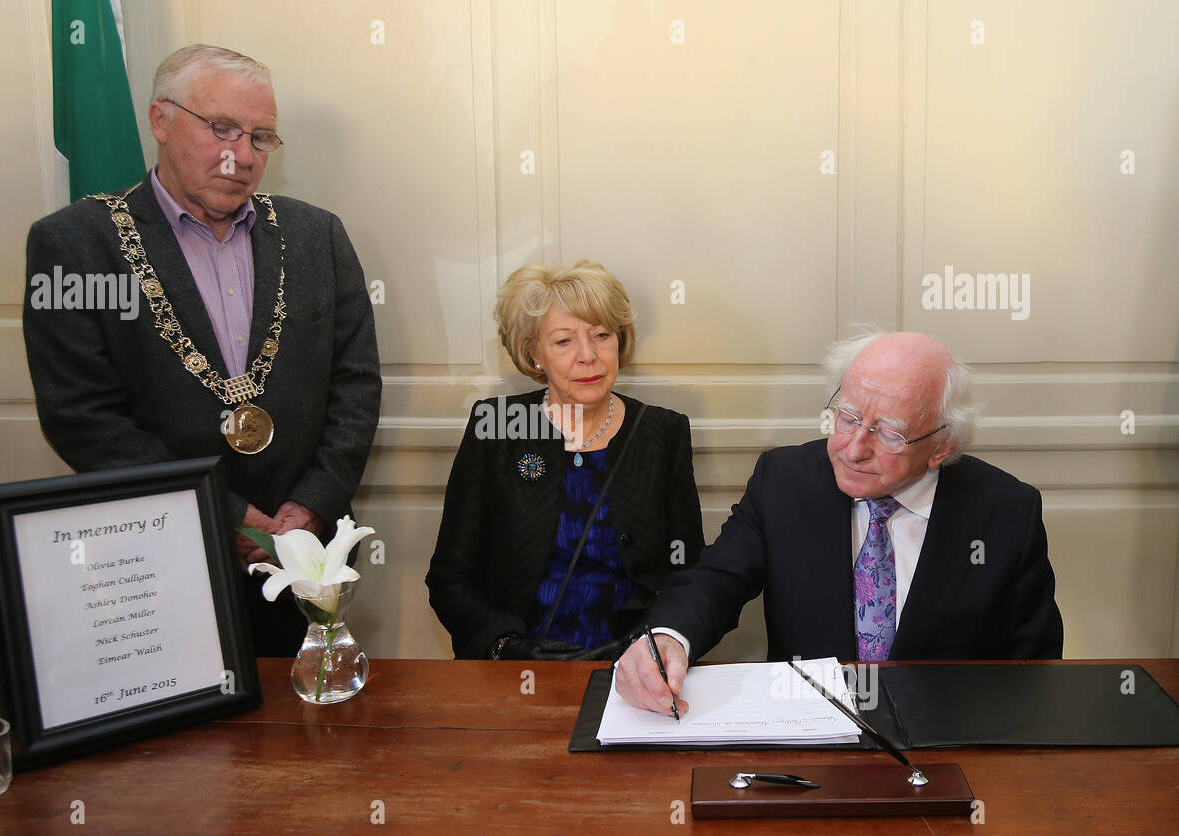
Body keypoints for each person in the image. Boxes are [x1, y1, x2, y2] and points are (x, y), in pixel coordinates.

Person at [22, 45, 381, 655]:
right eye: (222, 129)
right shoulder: (76, 245)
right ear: (161, 121)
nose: (241, 156)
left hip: (302, 558)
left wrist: (308, 508)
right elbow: (82, 418)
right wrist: (226, 513)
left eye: (261, 138)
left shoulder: (316, 234)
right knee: (183, 745)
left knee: (307, 739)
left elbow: (356, 384)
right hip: (156, 565)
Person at [616, 330, 1063, 715]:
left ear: (941, 446)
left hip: (946, 747)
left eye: (889, 432)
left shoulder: (1006, 511)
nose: (853, 449)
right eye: (847, 417)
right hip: (807, 736)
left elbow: (1032, 671)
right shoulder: (784, 481)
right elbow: (717, 580)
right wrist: (668, 637)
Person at [427, 261, 705, 659]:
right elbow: (450, 578)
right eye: (563, 341)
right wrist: (507, 647)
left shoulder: (662, 431)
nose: (588, 356)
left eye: (602, 335)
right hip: (518, 662)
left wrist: (658, 645)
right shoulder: (498, 427)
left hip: (634, 663)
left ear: (620, 341)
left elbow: (687, 571)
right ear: (533, 353)